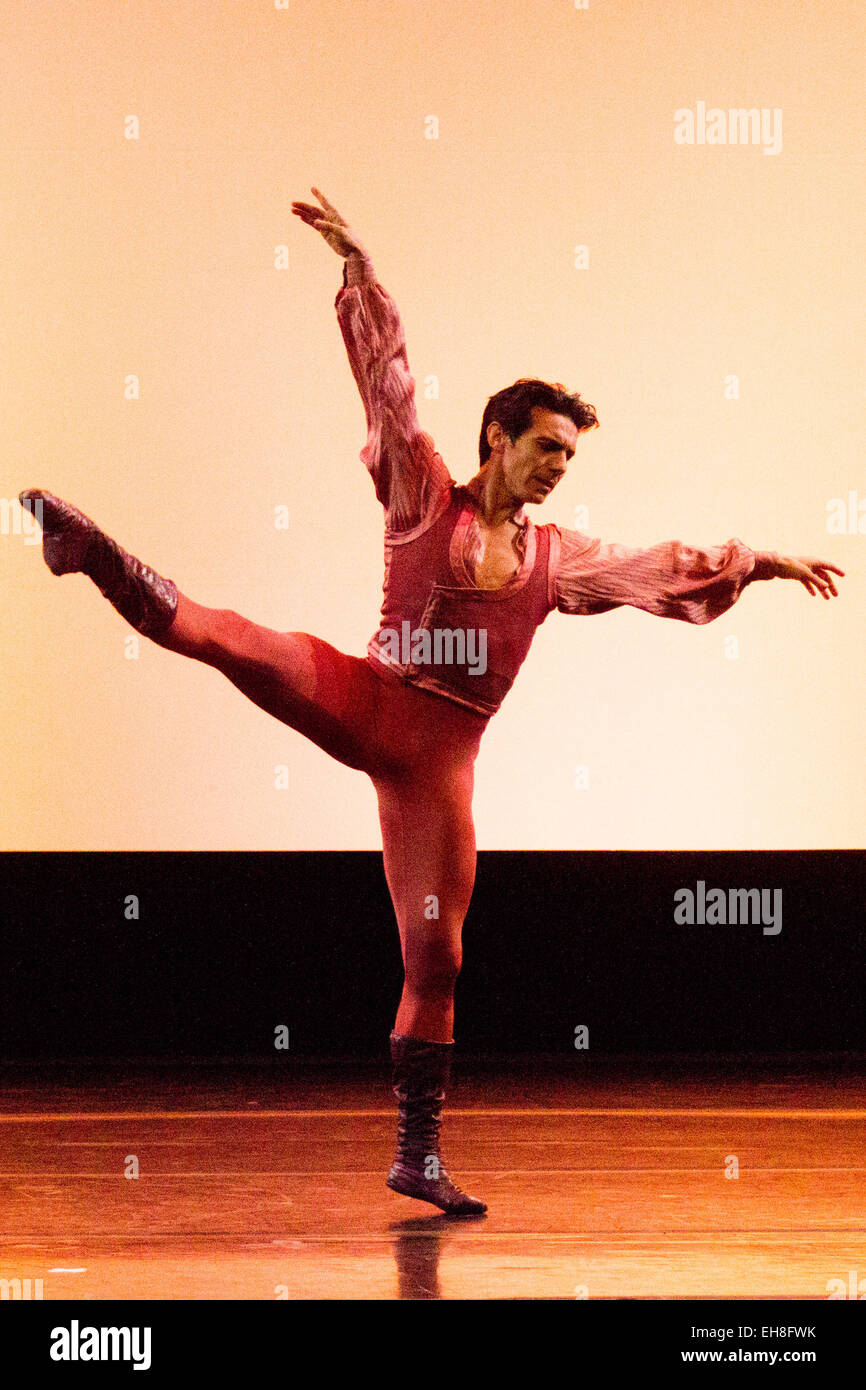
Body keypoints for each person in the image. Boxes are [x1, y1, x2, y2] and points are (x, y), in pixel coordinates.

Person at [19, 188, 844, 1217]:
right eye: (546, 447)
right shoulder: (424, 490)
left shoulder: (558, 558)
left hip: (438, 764)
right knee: (232, 639)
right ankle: (89, 549)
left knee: (438, 951)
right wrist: (358, 272)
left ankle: (416, 1152)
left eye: (569, 457)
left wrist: (762, 561)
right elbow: (389, 390)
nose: (556, 468)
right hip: (369, 698)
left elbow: (662, 568)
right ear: (497, 436)